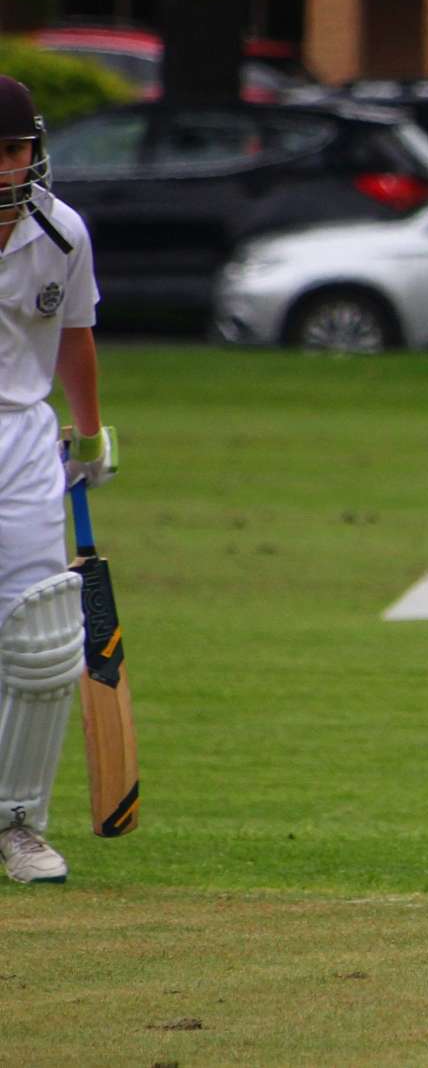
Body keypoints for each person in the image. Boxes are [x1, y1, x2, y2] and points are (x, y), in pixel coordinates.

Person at [0, 75, 116, 886]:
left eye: (14, 151)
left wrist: (89, 430)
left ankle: (18, 824)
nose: (7, 169)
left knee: (43, 640)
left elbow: (74, 333)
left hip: (21, 436)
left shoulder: (62, 232)